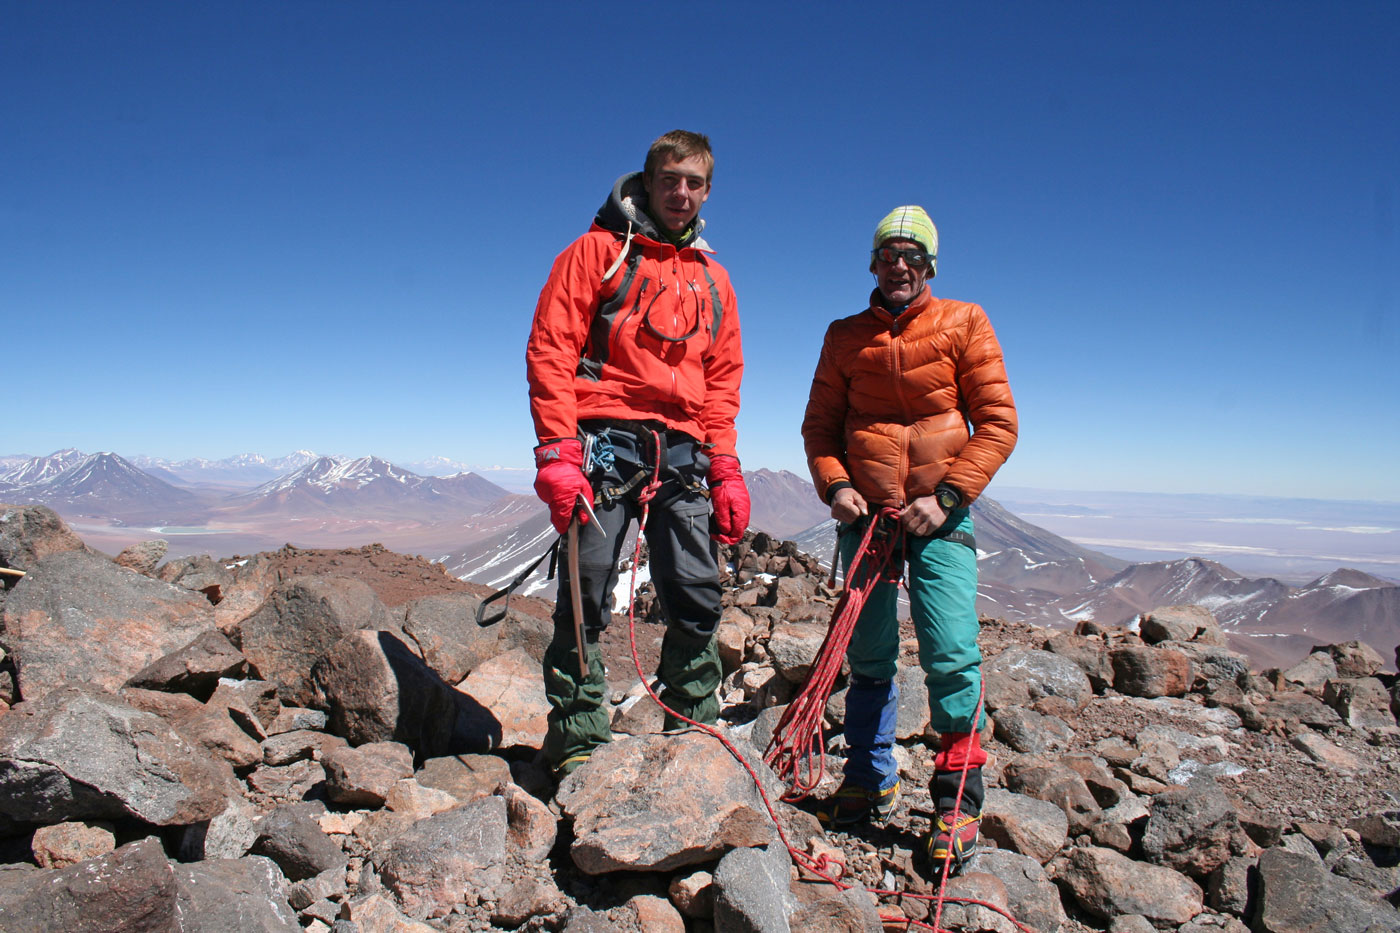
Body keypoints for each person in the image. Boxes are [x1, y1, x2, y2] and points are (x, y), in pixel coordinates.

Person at [525, 130, 749, 779]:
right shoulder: (595, 253)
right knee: (586, 583)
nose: (682, 193)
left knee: (697, 588)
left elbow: (723, 379)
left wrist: (726, 467)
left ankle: (691, 718)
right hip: (604, 437)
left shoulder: (714, 278)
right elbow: (552, 350)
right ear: (647, 182)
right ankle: (577, 736)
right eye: (671, 178)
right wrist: (559, 455)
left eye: (695, 182)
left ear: (708, 191)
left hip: (682, 447)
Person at [800, 205, 1017, 865]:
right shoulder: (845, 336)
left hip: (941, 515)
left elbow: (998, 423)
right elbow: (820, 427)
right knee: (867, 651)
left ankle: (956, 801)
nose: (899, 264)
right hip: (864, 517)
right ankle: (869, 777)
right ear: (873, 263)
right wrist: (836, 486)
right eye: (888, 253)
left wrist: (947, 496)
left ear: (929, 265)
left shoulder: (965, 321)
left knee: (951, 650)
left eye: (912, 254)